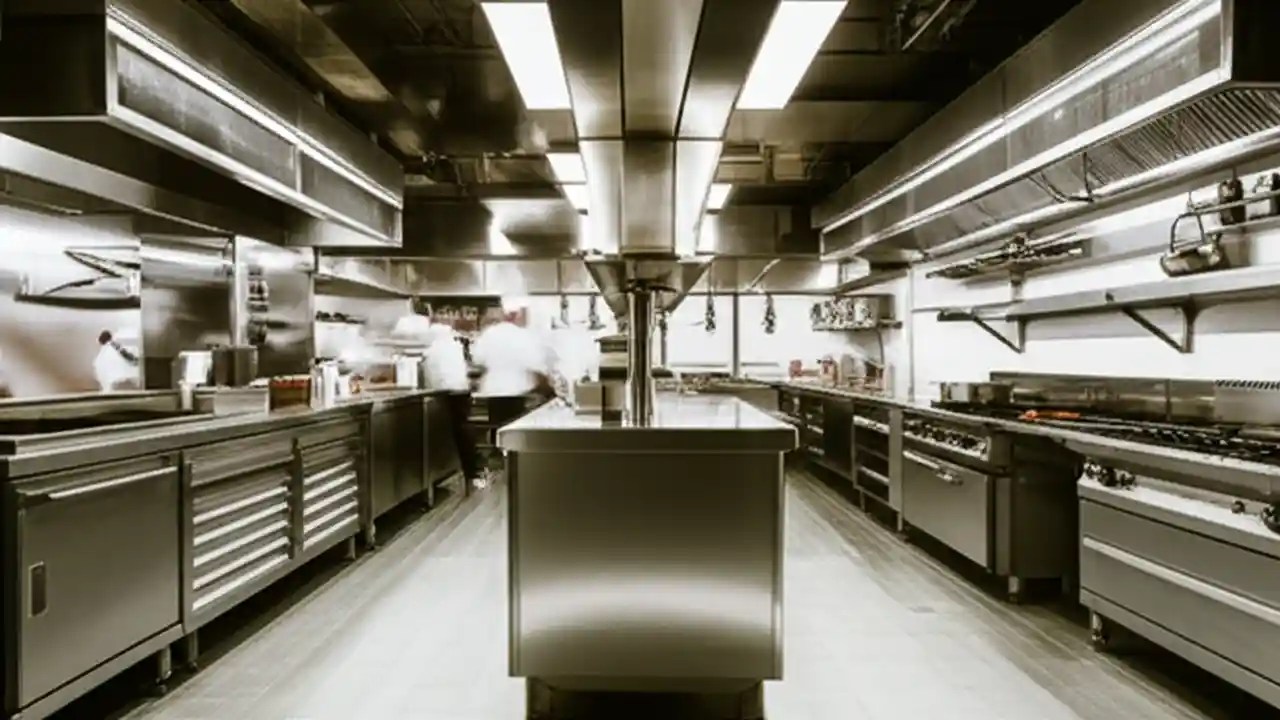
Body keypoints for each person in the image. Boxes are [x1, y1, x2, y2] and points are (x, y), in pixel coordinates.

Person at [471, 298, 550, 447]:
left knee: (497, 426)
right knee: (513, 429)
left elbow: (477, 359)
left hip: (494, 391)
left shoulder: (489, 333)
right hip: (517, 390)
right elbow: (535, 363)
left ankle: (497, 458)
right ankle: (511, 459)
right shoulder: (523, 335)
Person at [422, 323, 480, 489]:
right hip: (461, 390)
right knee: (463, 428)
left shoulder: (433, 348)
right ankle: (471, 470)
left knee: (459, 430)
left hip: (447, 393)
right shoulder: (455, 345)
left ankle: (469, 470)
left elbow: (431, 375)